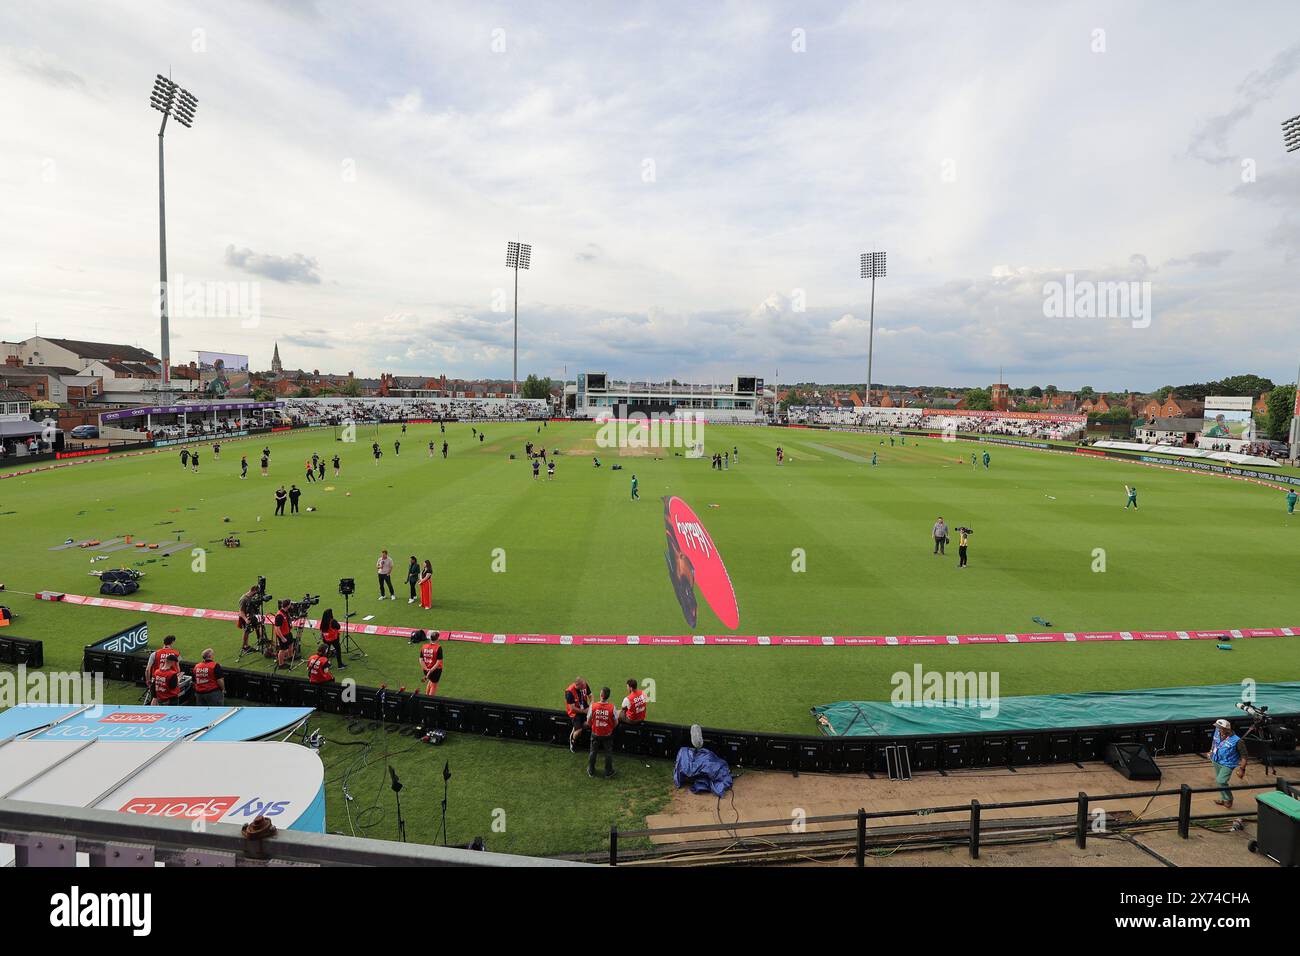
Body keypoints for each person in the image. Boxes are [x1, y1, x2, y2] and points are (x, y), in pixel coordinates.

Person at [1207, 718, 1247, 808]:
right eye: (1218, 727)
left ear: (1227, 729)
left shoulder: (1238, 741)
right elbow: (1214, 741)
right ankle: (1223, 798)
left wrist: (1242, 769)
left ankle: (1229, 799)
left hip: (1228, 764)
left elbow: (1244, 756)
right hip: (1216, 760)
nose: (1218, 729)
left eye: (1220, 728)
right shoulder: (1217, 731)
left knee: (1221, 780)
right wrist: (1211, 751)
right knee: (1219, 782)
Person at [587, 687, 618, 778]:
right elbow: (616, 722)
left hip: (595, 733)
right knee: (608, 753)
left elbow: (588, 720)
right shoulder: (612, 707)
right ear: (608, 696)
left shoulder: (593, 706)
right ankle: (608, 772)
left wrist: (593, 727)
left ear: (601, 695)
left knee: (593, 752)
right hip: (607, 734)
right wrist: (610, 728)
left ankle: (591, 770)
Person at [565, 677, 591, 752]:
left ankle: (578, 726)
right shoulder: (569, 692)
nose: (584, 687)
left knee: (591, 723)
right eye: (582, 686)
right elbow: (572, 709)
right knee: (579, 731)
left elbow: (590, 695)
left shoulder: (584, 685)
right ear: (577, 685)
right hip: (575, 713)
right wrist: (584, 711)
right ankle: (572, 741)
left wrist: (591, 704)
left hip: (585, 708)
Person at [238, 584, 262, 652]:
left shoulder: (252, 597)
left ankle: (261, 640)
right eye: (256, 592)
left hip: (254, 616)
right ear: (254, 590)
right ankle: (245, 646)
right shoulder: (243, 599)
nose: (256, 594)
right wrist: (246, 619)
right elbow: (241, 611)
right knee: (247, 631)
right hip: (246, 618)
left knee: (259, 626)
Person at [419, 631, 443, 695]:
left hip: (426, 670)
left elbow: (421, 659)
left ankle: (426, 695)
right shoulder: (438, 647)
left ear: (430, 638)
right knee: (434, 685)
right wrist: (431, 670)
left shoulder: (424, 646)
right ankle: (429, 700)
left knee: (430, 681)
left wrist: (426, 669)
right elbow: (438, 662)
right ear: (437, 639)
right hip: (436, 670)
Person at [274, 600, 296, 667]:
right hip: (282, 634)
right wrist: (282, 638)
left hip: (288, 632)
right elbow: (277, 628)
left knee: (291, 643)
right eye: (290, 604)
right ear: (288, 606)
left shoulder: (286, 612)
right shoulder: (279, 615)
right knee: (282, 649)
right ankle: (281, 664)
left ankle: (290, 656)